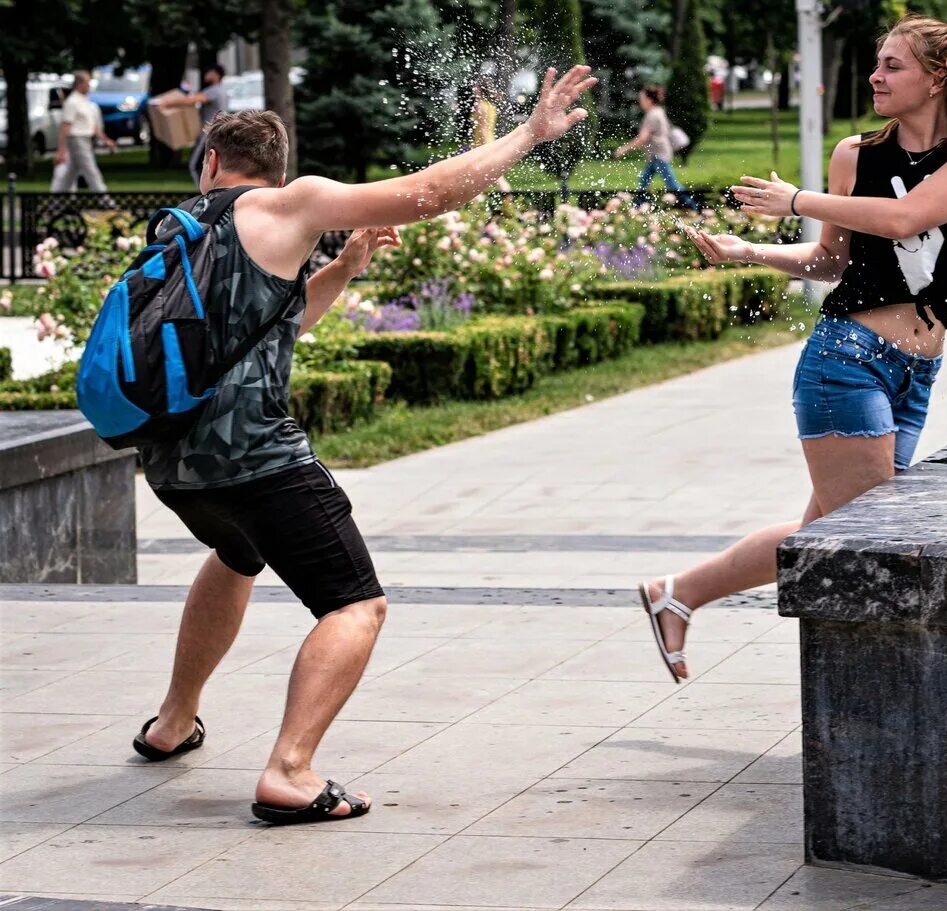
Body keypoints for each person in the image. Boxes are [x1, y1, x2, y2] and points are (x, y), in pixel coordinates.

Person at [130, 66, 597, 822]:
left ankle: (173, 723)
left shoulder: (186, 229)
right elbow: (431, 193)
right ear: (280, 171)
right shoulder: (292, 203)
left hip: (171, 464)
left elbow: (259, 335)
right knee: (355, 604)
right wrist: (529, 134)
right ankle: (289, 769)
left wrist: (343, 269)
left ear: (210, 161)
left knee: (237, 553)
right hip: (255, 457)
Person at [639, 16, 947, 683]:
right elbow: (832, 259)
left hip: (916, 372)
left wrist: (797, 199)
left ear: (938, 77)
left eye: (893, 65)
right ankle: (894, 690)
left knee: (830, 536)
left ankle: (680, 590)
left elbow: (905, 218)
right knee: (871, 536)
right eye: (876, 63)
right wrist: (749, 250)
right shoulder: (853, 156)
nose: (875, 76)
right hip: (847, 359)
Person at [615, 85, 699, 210]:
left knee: (672, 184)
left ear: (649, 100)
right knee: (644, 180)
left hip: (659, 154)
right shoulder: (658, 111)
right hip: (657, 154)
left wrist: (624, 149)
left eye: (642, 98)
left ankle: (694, 206)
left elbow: (643, 138)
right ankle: (638, 206)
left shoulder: (653, 115)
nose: (640, 101)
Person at [156, 64, 230, 186]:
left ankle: (204, 195)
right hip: (219, 132)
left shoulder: (213, 91)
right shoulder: (222, 91)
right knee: (214, 166)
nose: (206, 75)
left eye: (209, 72)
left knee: (195, 166)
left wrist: (166, 103)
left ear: (216, 75)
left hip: (210, 133)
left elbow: (190, 100)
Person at [51, 72, 117, 193]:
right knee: (91, 171)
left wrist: (106, 140)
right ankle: (106, 202)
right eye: (87, 83)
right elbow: (65, 126)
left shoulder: (86, 102)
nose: (89, 86)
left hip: (86, 140)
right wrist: (61, 150)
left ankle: (56, 204)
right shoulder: (72, 102)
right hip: (77, 140)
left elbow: (93, 126)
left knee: (69, 175)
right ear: (79, 84)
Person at [471, 79, 511, 193]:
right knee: (479, 176)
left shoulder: (480, 106)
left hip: (484, 144)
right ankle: (480, 203)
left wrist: (483, 148)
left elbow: (482, 129)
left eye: (477, 88)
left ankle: (508, 200)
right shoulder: (490, 105)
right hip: (489, 141)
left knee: (495, 176)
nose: (475, 91)